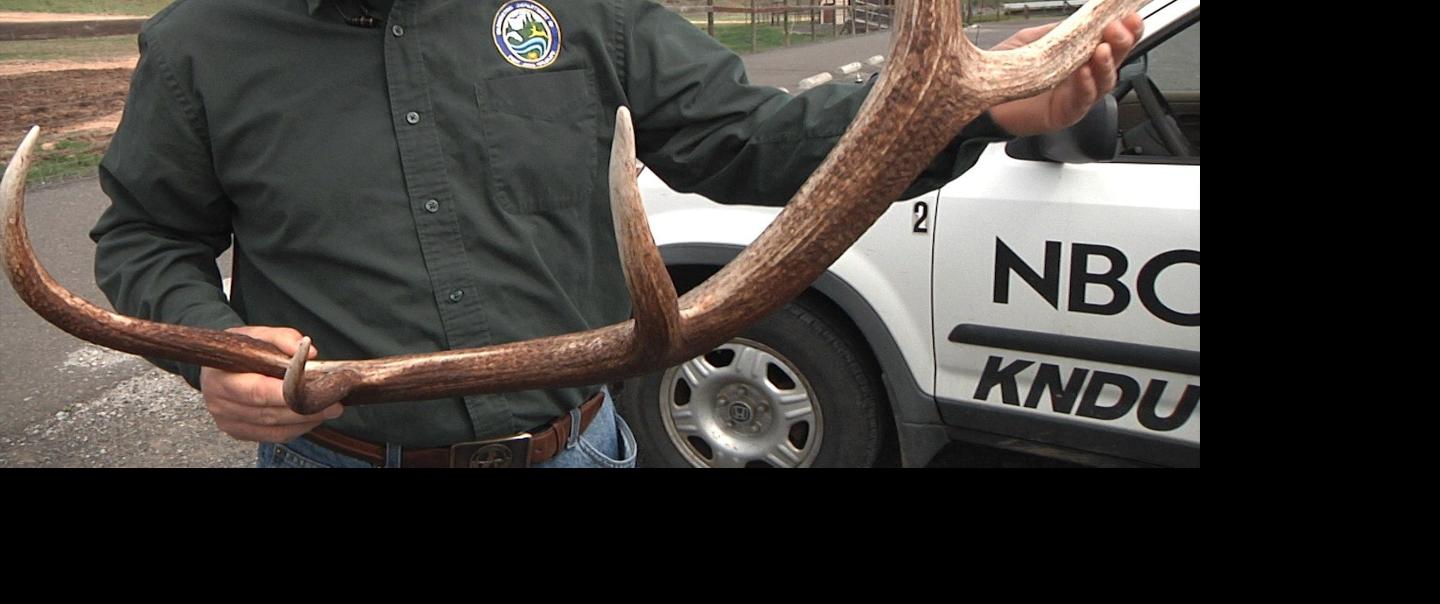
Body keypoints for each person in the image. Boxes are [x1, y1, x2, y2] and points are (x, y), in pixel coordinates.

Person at [90, 0, 1141, 468]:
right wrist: (209, 348)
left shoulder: (581, 8)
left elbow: (750, 142)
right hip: (338, 459)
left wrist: (975, 110)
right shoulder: (201, 43)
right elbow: (143, 238)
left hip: (573, 451)